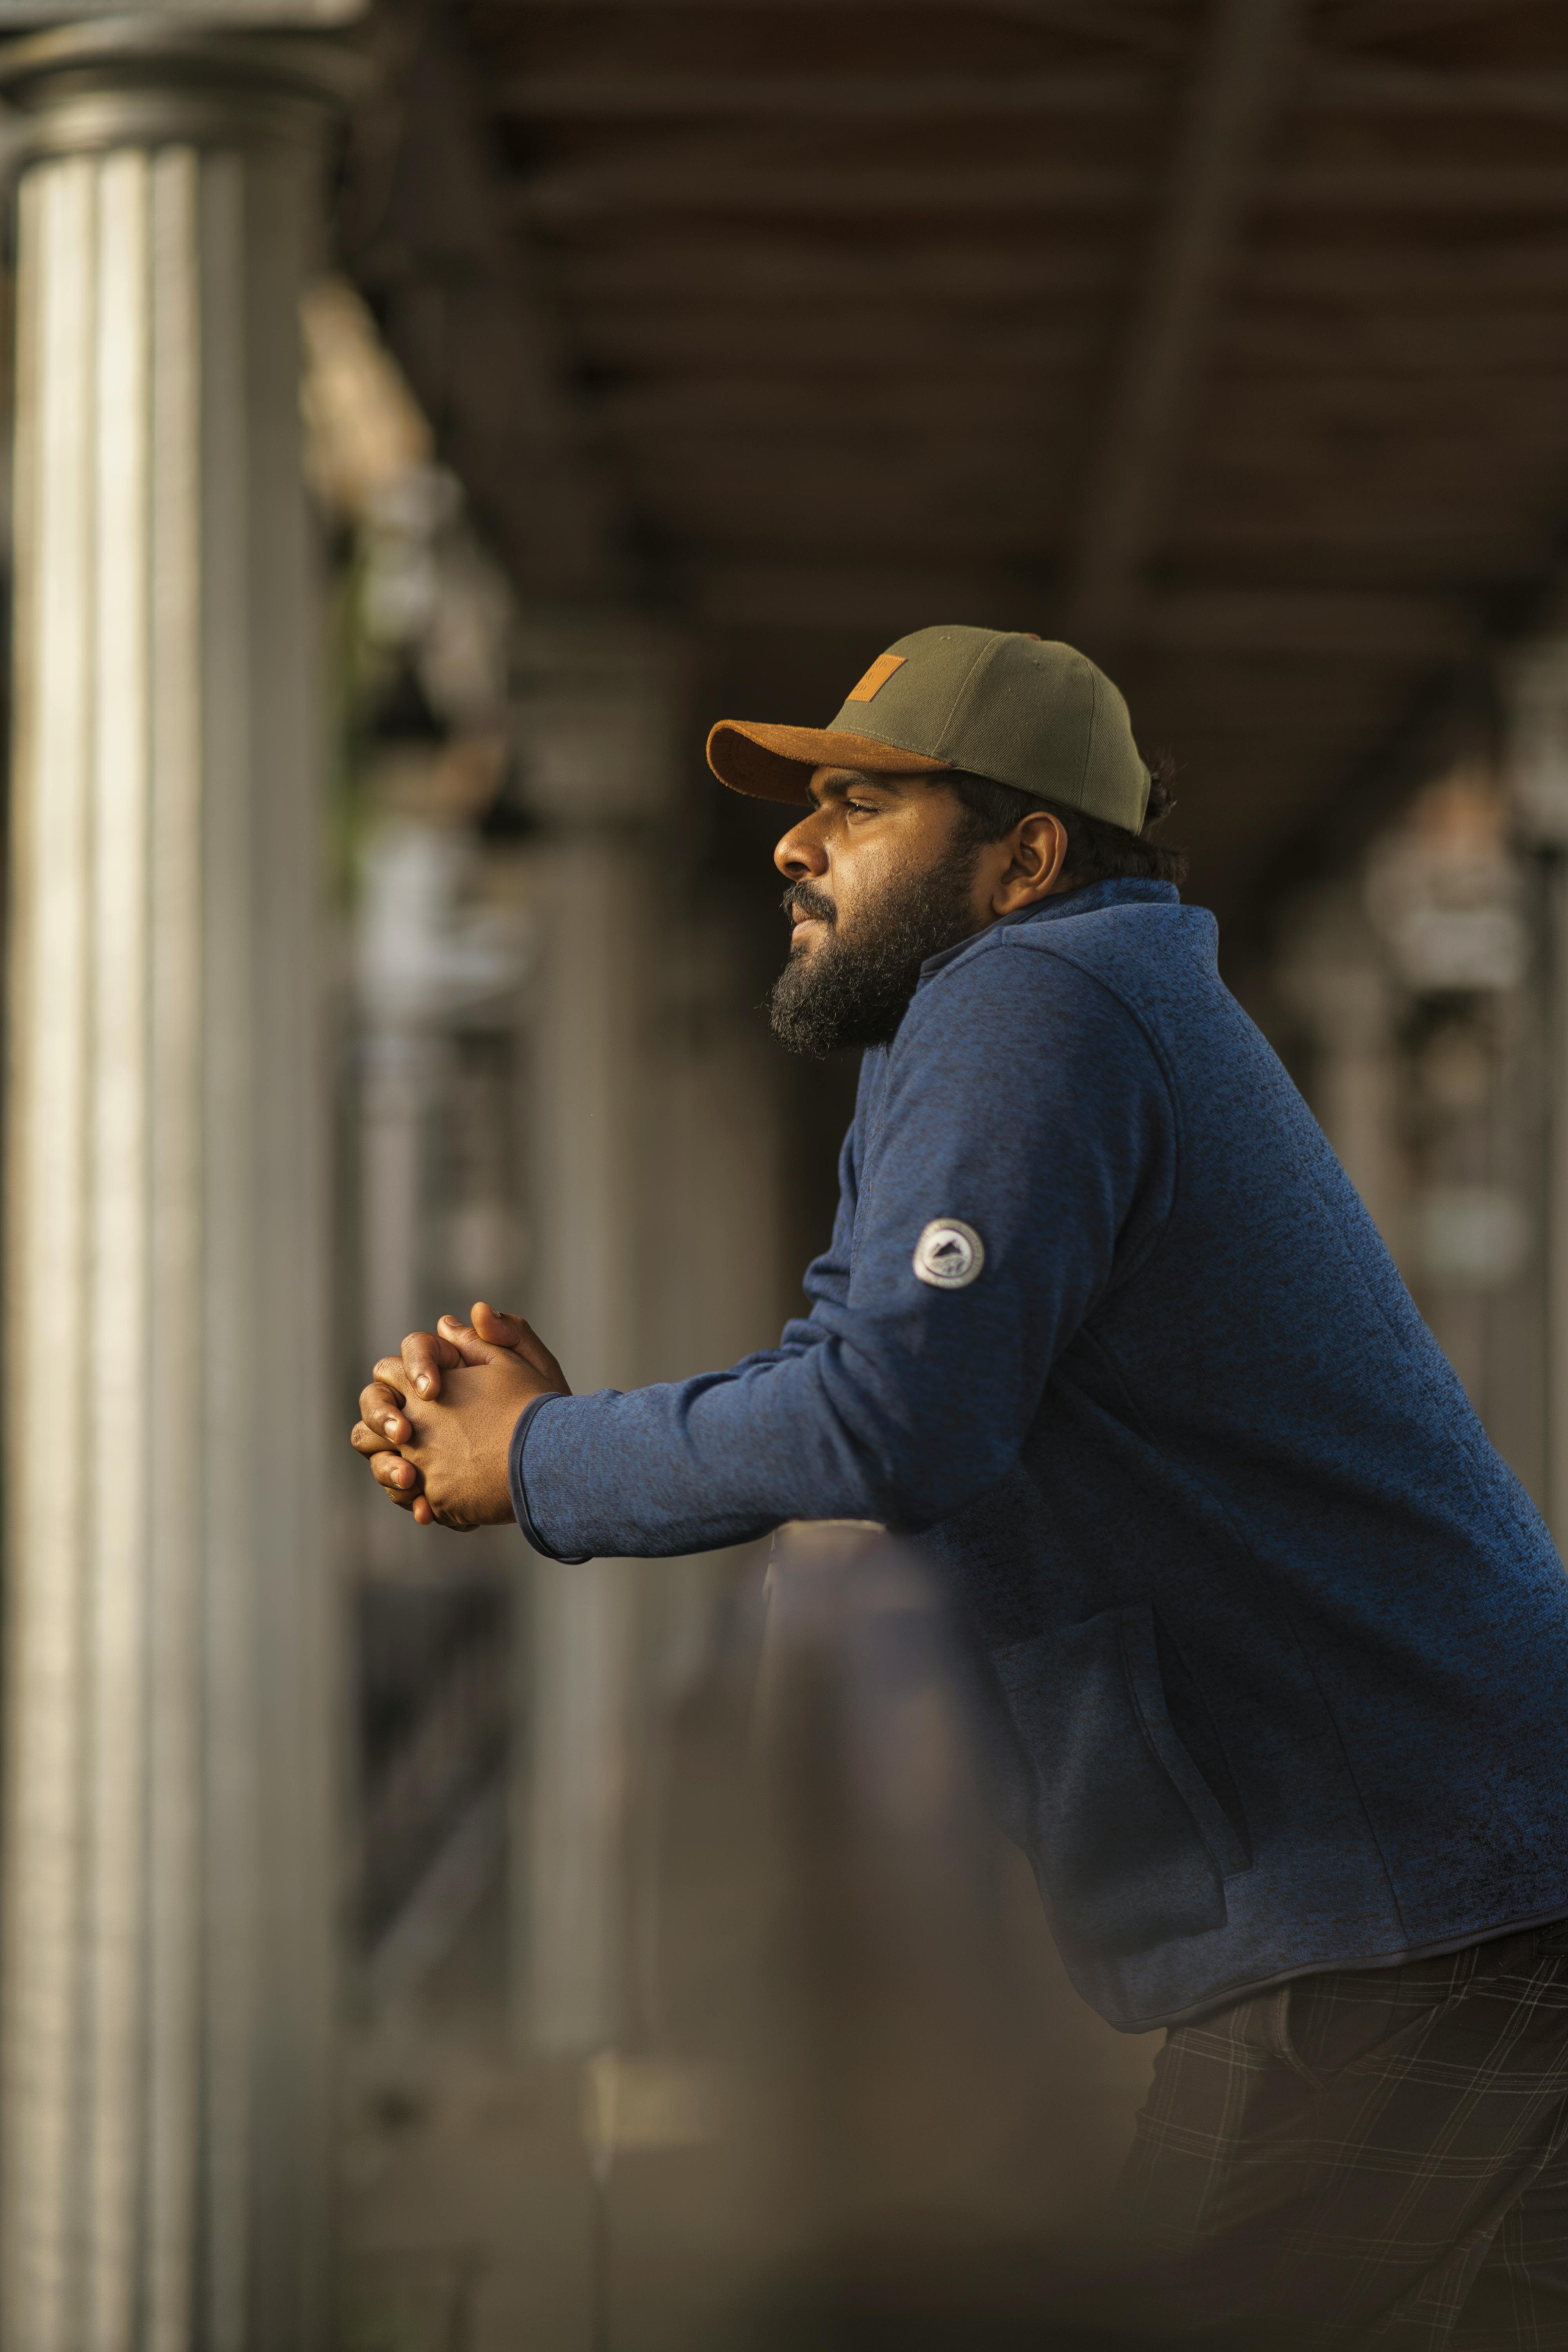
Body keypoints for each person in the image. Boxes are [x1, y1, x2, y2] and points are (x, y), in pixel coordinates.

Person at [351, 625, 1568, 2347]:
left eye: (858, 804)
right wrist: (554, 1433)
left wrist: (541, 1458)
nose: (793, 840)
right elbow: (865, 1364)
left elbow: (894, 1422)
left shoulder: (1038, 997)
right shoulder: (1057, 1006)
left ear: (1024, 857)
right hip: (1462, 1864)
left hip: (1401, 1900)